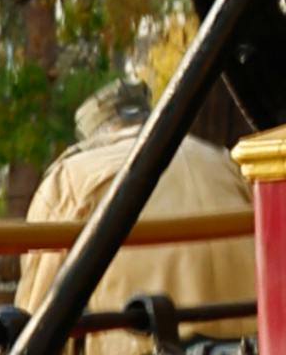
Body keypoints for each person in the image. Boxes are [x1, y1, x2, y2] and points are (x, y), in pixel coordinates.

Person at [14, 71, 257, 333]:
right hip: (249, 342)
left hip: (140, 348)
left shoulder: (71, 178)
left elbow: (38, 312)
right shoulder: (221, 160)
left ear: (90, 134)